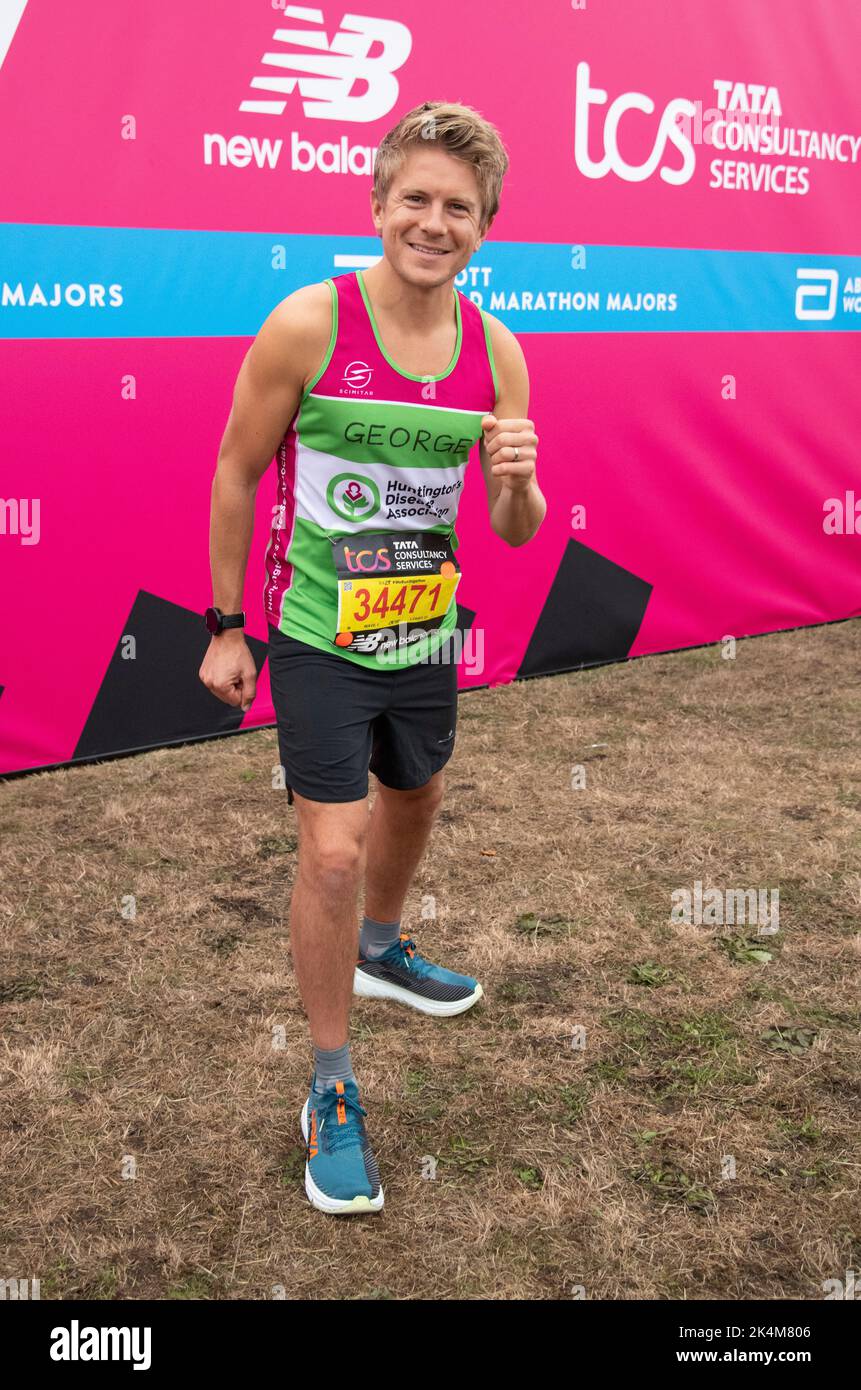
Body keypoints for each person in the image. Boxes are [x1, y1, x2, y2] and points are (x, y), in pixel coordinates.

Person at [199, 100, 545, 1215]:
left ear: (484, 224)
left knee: (418, 793)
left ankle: (385, 948)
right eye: (417, 200)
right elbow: (238, 471)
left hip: (423, 631)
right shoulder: (308, 322)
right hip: (314, 633)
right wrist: (222, 623)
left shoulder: (497, 352)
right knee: (333, 854)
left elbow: (516, 530)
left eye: (458, 207)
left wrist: (521, 478)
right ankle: (331, 1088)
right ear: (378, 203)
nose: (434, 222)